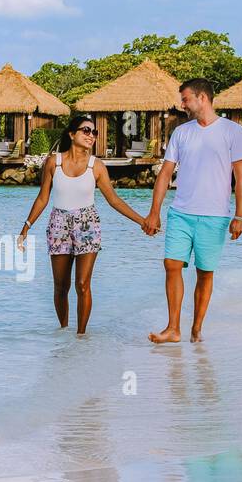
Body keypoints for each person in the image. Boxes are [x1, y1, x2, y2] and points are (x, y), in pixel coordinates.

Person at [18, 113, 152, 334]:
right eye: (86, 130)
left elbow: (114, 200)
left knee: (82, 284)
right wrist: (26, 226)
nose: (91, 135)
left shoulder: (96, 166)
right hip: (58, 224)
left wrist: (142, 221)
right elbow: (43, 198)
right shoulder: (54, 162)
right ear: (72, 134)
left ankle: (81, 337)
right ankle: (63, 333)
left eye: (94, 132)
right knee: (61, 287)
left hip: (87, 225)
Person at [145, 78, 242, 344]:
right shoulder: (181, 133)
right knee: (171, 265)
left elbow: (241, 177)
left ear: (202, 98)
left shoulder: (232, 131)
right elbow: (165, 174)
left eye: (186, 98)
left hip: (215, 216)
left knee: (205, 272)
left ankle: (196, 329)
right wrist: (154, 212)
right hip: (180, 212)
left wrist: (240, 215)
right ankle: (173, 328)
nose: (182, 104)